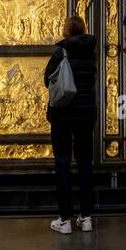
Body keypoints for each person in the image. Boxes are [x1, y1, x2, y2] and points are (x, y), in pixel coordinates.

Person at [44, 15, 97, 234]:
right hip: (85, 116)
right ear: (83, 30)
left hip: (63, 115)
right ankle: (86, 218)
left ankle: (65, 219)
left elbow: (47, 79)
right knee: (85, 165)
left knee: (63, 165)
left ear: (66, 30)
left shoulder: (61, 52)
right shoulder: (90, 53)